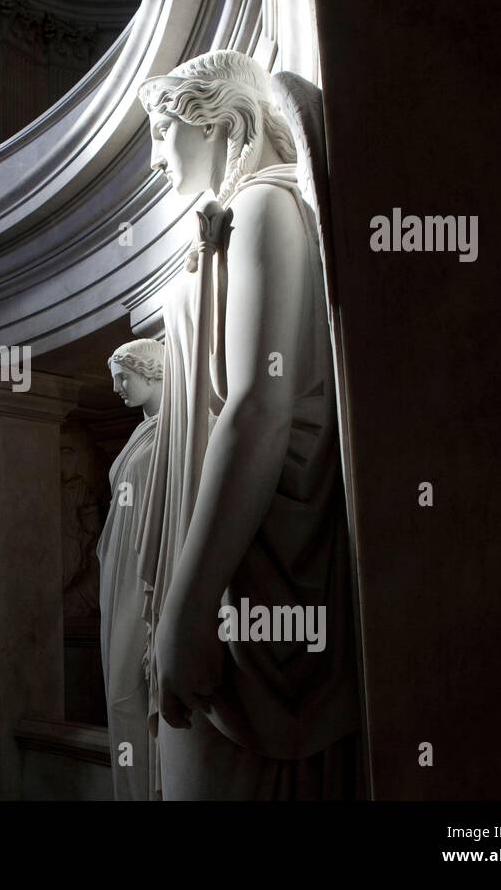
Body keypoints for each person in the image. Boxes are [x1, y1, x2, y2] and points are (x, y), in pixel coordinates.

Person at [136, 50, 358, 799]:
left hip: (253, 603)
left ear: (221, 123)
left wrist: (191, 607)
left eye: (163, 135)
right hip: (238, 583)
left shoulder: (265, 204)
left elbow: (259, 410)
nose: (156, 162)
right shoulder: (233, 221)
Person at [96, 338, 164, 800]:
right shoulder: (140, 433)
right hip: (117, 569)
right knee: (118, 695)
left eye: (125, 376)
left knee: (130, 691)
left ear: (152, 370)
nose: (118, 388)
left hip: (144, 571)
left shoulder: (179, 429)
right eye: (116, 378)